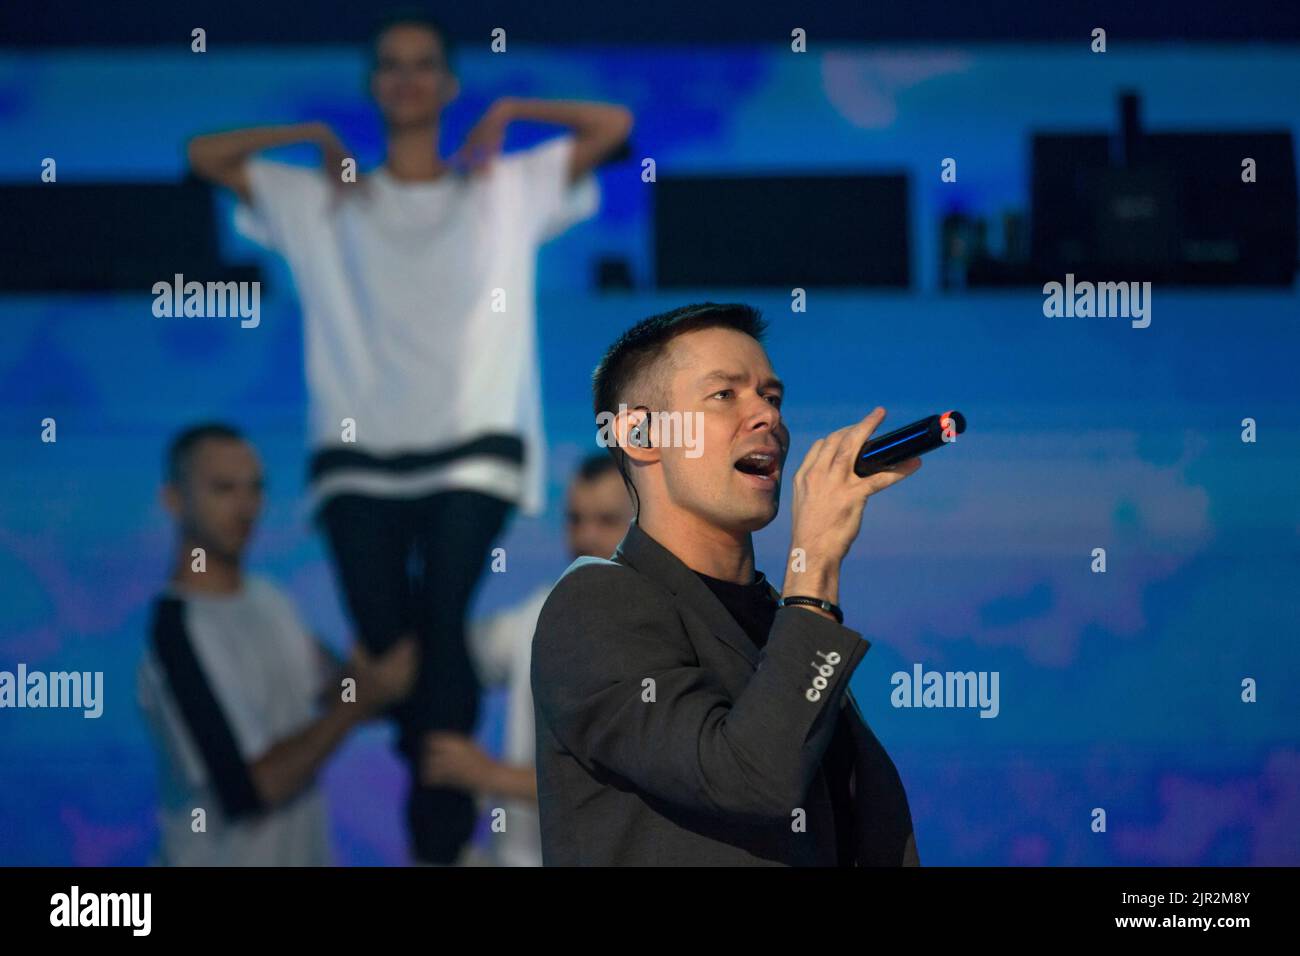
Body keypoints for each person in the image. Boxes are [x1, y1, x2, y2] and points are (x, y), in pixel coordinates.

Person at [184, 14, 633, 863]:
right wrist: (310, 134)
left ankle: (437, 833)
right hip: (356, 461)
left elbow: (614, 129)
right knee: (401, 651)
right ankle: (442, 811)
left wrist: (513, 116)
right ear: (373, 83)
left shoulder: (501, 184)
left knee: (439, 619)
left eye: (425, 64)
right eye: (390, 65)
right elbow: (204, 154)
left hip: (474, 450)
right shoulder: (322, 195)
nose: (407, 77)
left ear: (451, 84)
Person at [532, 302, 923, 866]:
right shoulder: (596, 604)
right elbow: (750, 779)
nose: (766, 416)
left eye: (771, 396)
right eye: (725, 395)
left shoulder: (778, 619)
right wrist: (813, 566)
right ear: (641, 435)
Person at [138, 423, 417, 866]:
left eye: (255, 489)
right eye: (223, 489)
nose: (245, 506)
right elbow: (251, 788)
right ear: (173, 500)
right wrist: (359, 701)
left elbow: (340, 688)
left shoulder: (270, 599)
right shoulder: (178, 630)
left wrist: (384, 650)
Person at [420, 453, 635, 866]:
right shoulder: (538, 613)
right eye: (575, 519)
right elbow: (449, 654)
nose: (585, 536)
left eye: (606, 521)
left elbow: (620, 787)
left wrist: (486, 775)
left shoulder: (660, 635)